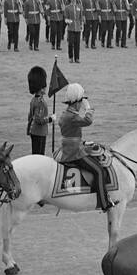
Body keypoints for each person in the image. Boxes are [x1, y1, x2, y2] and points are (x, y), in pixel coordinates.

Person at [51, 82, 111, 211]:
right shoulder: (72, 116)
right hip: (74, 152)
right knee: (99, 171)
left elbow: (72, 134)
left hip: (69, 147)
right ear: (77, 102)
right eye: (81, 102)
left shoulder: (65, 114)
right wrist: (88, 107)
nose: (81, 105)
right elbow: (88, 121)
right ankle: (104, 203)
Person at [27, 66, 49, 156]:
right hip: (39, 132)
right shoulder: (40, 102)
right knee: (39, 156)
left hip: (34, 131)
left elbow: (30, 116)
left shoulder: (34, 100)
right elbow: (39, 120)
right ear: (42, 88)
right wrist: (50, 119)